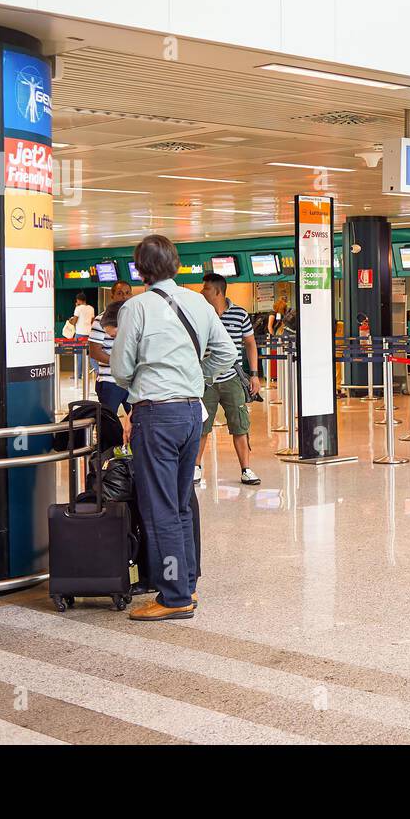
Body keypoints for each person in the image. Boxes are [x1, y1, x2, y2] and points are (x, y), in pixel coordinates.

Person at [111, 235, 236, 621]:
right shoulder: (198, 302)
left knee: (160, 508)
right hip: (190, 414)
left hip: (157, 415)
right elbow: (227, 353)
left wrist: (141, 383)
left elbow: (119, 369)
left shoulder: (137, 308)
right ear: (177, 265)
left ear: (140, 270)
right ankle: (186, 584)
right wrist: (198, 380)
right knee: (180, 504)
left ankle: (174, 597)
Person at [196, 273, 261, 486]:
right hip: (206, 381)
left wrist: (254, 374)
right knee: (201, 425)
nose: (201, 292)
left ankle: (246, 469)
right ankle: (196, 468)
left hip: (232, 378)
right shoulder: (201, 315)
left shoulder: (239, 314)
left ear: (217, 291)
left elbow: (250, 343)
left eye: (205, 288)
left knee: (240, 425)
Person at [88, 300, 130, 418]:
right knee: (108, 422)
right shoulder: (101, 319)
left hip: (134, 383)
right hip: (111, 381)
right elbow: (95, 351)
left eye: (114, 336)